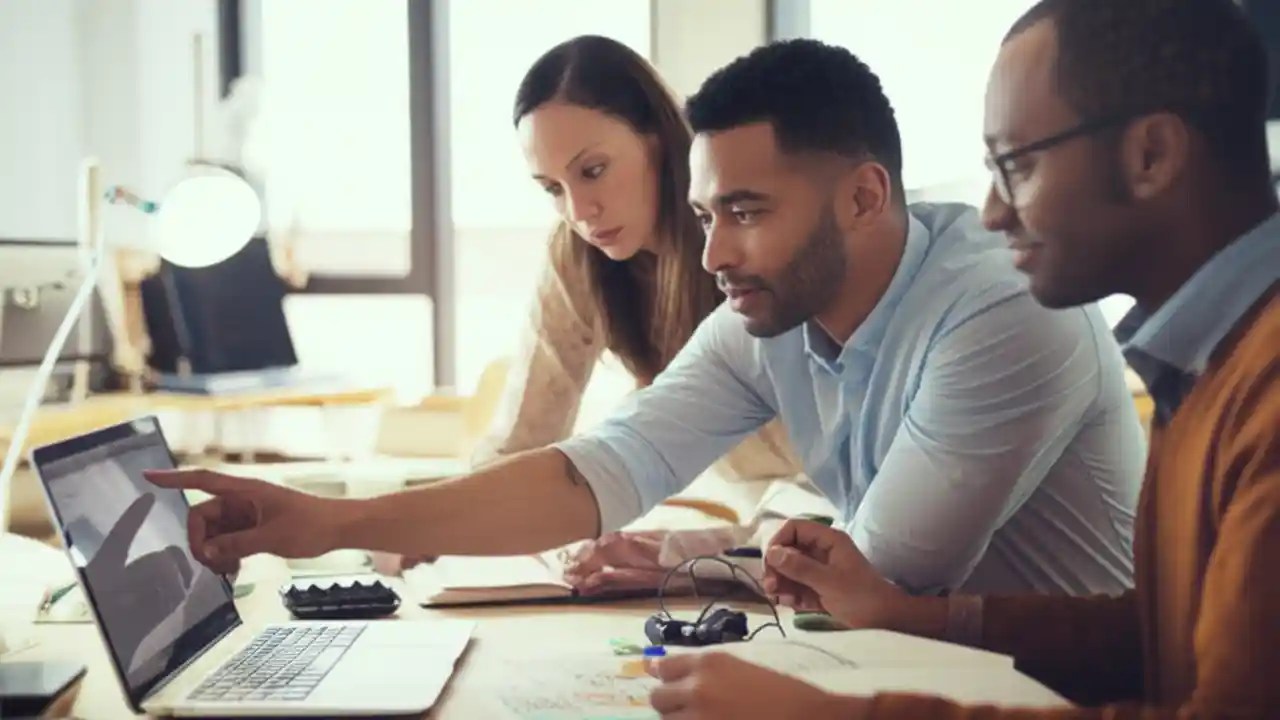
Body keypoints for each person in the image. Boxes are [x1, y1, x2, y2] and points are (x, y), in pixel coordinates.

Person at [148, 39, 1146, 602]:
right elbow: (595, 471)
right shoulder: (771, 318)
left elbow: (877, 575)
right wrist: (333, 524)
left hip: (1073, 696)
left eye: (745, 214)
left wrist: (680, 556)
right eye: (707, 216)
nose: (710, 257)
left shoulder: (998, 306)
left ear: (861, 197)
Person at [647, 1, 1280, 717]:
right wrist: (909, 615)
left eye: (1017, 166)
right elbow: (1164, 638)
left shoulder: (1267, 391)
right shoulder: (1206, 358)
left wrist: (839, 715)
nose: (992, 212)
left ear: (1150, 156)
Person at [376, 35, 807, 585]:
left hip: (826, 531)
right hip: (756, 535)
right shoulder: (581, 256)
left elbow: (842, 484)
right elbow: (524, 439)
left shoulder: (754, 240)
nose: (580, 212)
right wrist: (423, 528)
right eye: (552, 188)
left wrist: (691, 555)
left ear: (656, 139)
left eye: (593, 170)